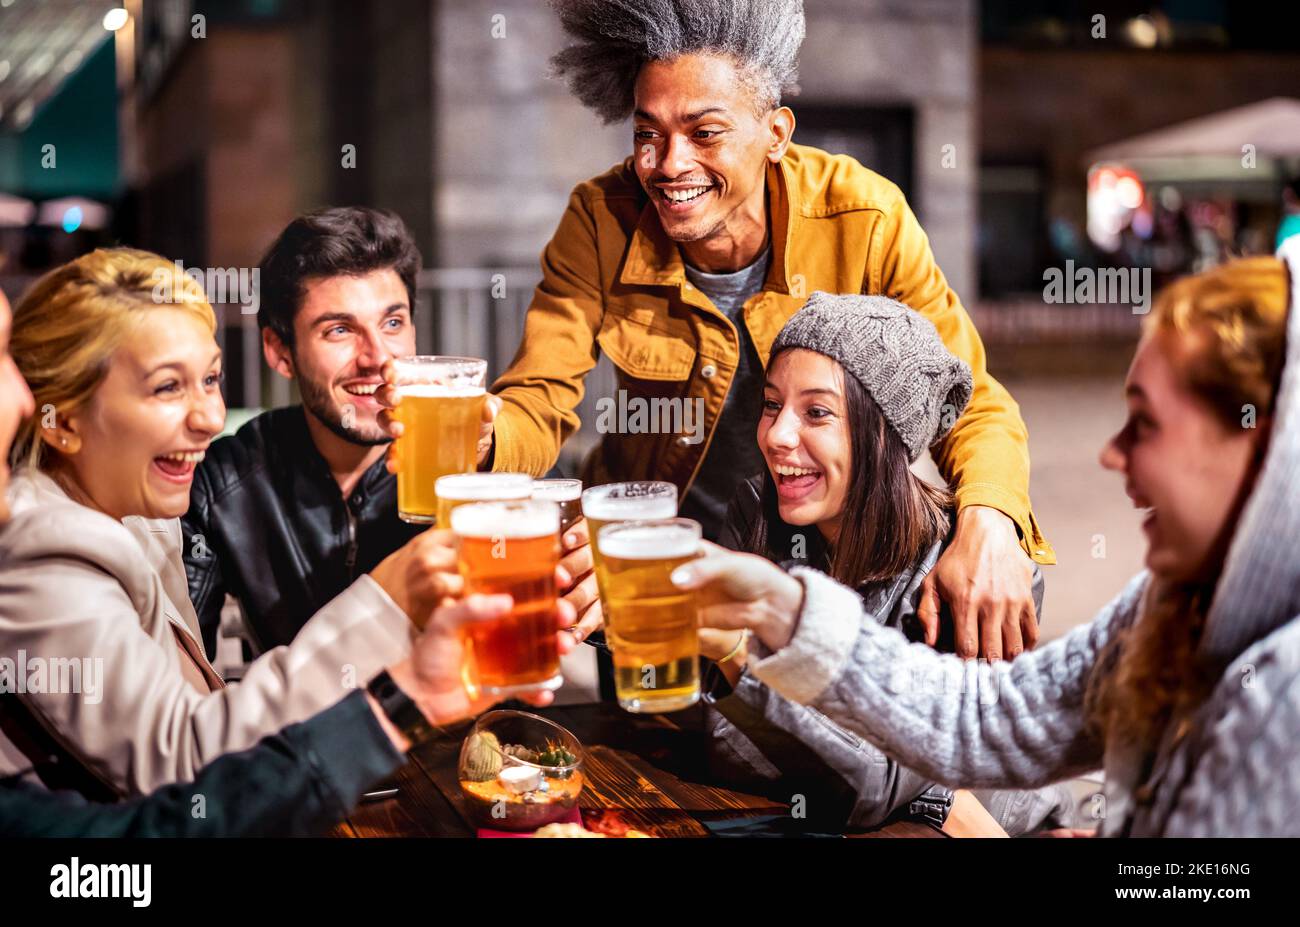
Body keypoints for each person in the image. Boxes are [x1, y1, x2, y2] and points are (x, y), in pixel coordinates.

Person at [445, 0, 1053, 659]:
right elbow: (537, 402)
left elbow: (971, 398)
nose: (668, 163)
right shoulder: (600, 221)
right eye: (647, 134)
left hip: (812, 576)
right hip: (655, 570)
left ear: (776, 133)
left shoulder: (866, 216)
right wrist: (488, 436)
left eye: (704, 133)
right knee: (648, 750)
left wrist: (990, 521)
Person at [679, 253, 1300, 836]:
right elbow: (986, 718)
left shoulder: (1281, 687)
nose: (1112, 454)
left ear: (1266, 449)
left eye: (1146, 423)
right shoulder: (1171, 605)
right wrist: (773, 610)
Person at [0, 279, 573, 835]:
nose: (207, 416)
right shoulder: (55, 546)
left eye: (210, 379)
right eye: (167, 387)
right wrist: (386, 602)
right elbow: (184, 760)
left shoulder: (141, 506)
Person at [697, 291, 1076, 834]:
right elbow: (730, 746)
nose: (777, 436)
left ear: (885, 433)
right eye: (772, 404)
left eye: (817, 412)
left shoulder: (969, 576)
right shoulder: (756, 513)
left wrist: (739, 657)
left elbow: (872, 787)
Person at [180, 207, 602, 658]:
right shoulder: (225, 484)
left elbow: (588, 624)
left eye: (393, 322)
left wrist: (593, 592)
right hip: (310, 727)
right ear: (280, 352)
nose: (378, 357)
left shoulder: (493, 463)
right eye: (339, 329)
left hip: (474, 726)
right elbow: (183, 670)